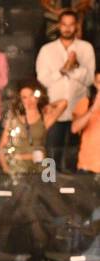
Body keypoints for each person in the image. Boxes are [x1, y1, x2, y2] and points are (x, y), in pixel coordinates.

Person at [38, 9, 95, 169]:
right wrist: (63, 70)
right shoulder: (47, 50)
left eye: (71, 24)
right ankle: (47, 189)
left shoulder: (86, 48)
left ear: (76, 26)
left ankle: (71, 192)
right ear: (59, 26)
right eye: (64, 24)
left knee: (73, 156)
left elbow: (90, 79)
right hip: (55, 112)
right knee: (51, 154)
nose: (67, 28)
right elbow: (43, 79)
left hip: (79, 112)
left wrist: (74, 67)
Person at [0, 80, 63, 175]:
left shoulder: (44, 119)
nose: (29, 100)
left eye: (31, 95)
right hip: (19, 167)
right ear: (21, 100)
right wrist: (5, 168)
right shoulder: (14, 121)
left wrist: (48, 105)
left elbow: (63, 103)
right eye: (24, 97)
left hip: (39, 166)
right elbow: (2, 147)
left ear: (37, 97)